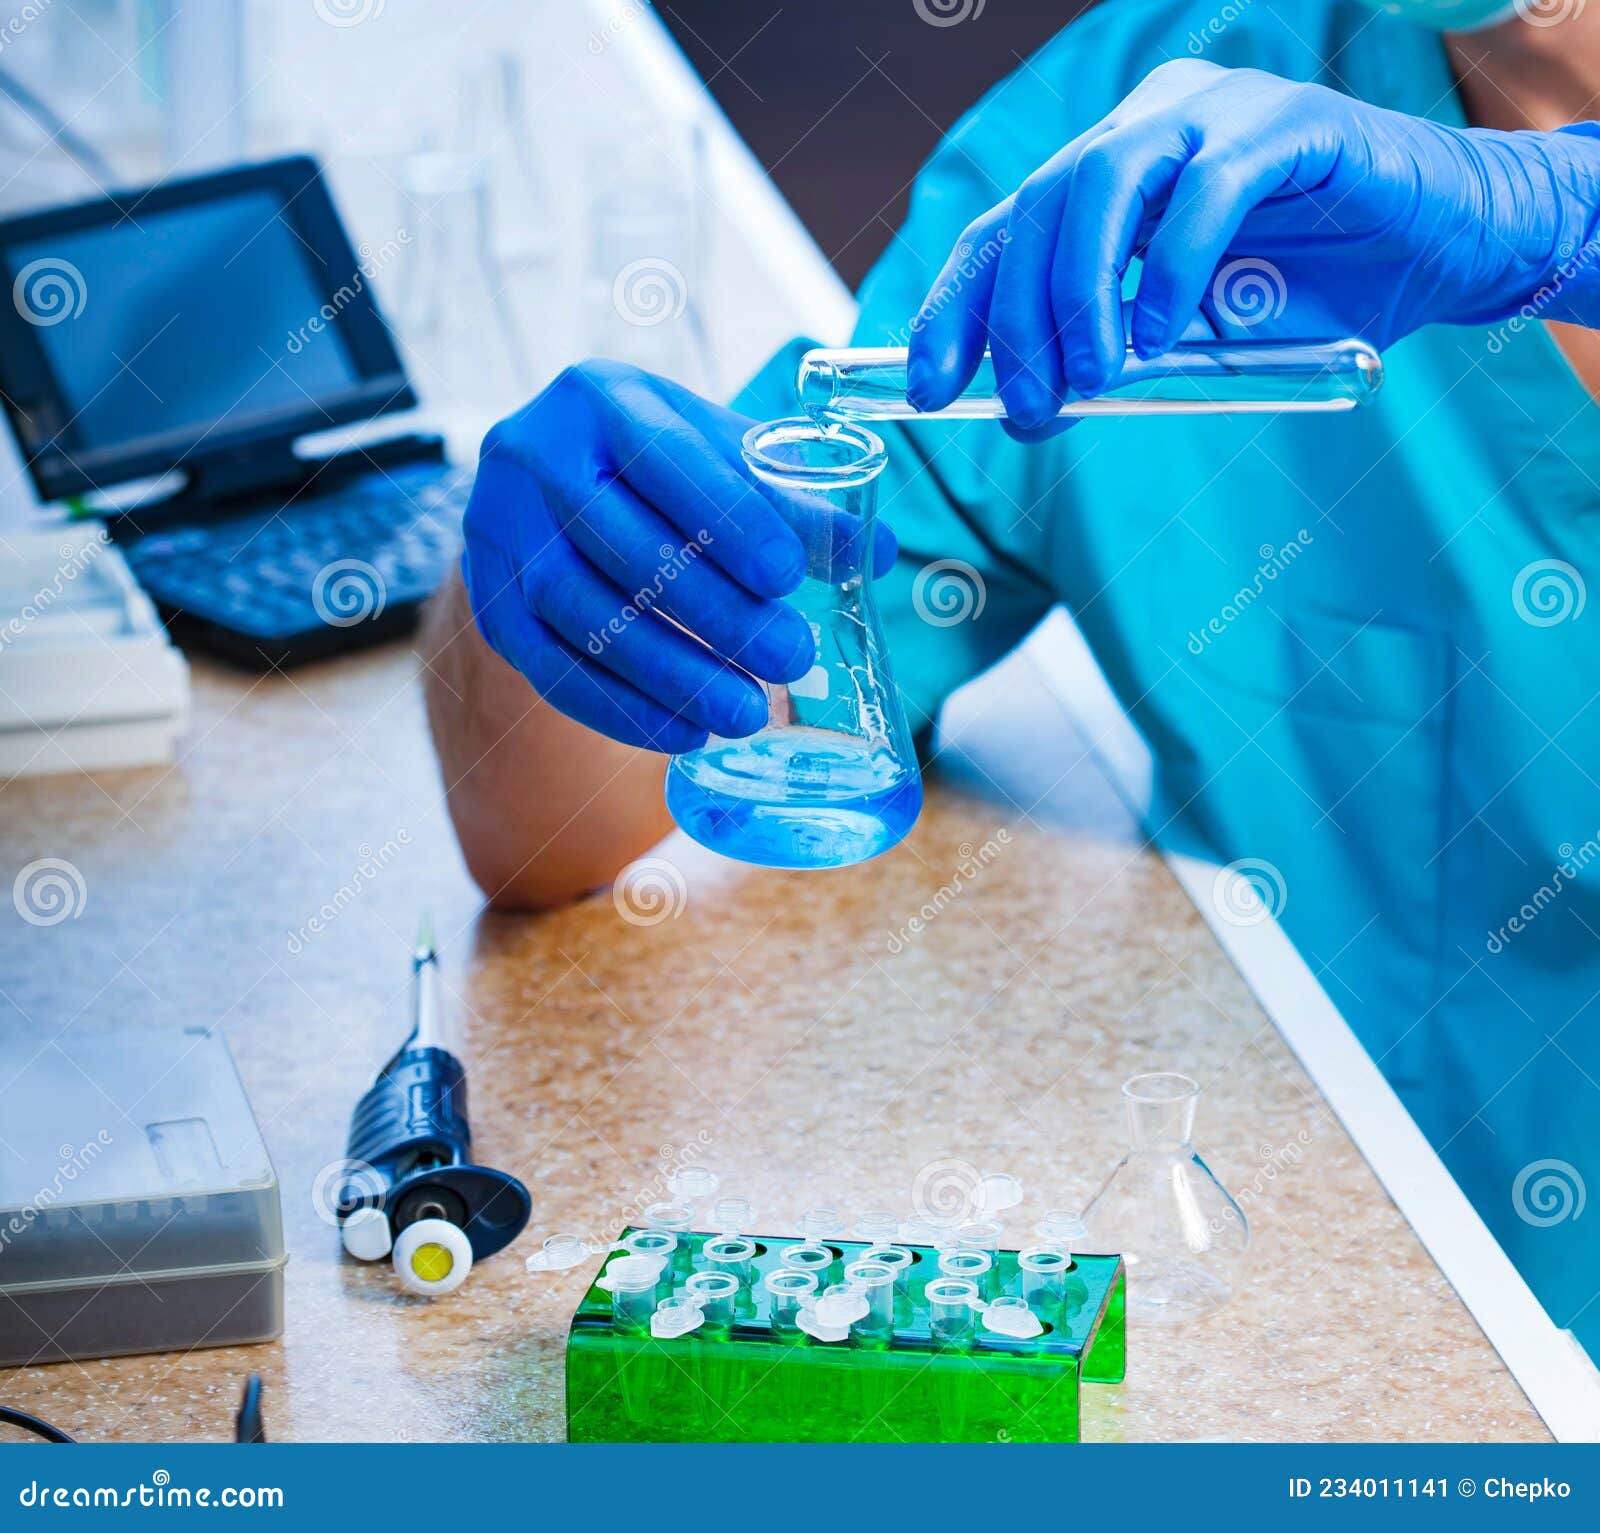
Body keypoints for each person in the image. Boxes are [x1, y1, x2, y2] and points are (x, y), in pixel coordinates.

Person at [423, 0, 1600, 1357]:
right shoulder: (1174, 118)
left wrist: (1562, 220)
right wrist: (557, 568)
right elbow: (547, 827)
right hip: (1351, 1306)